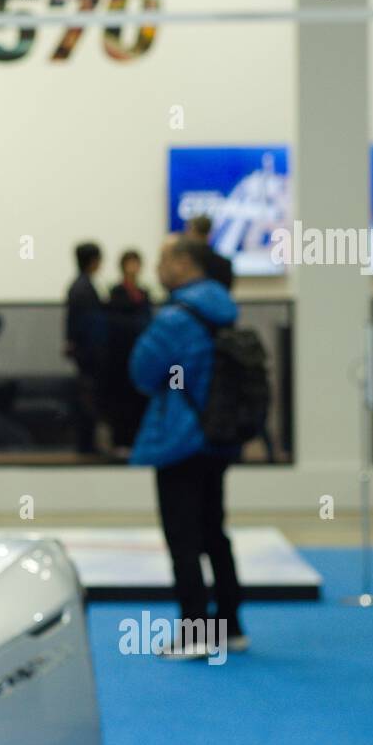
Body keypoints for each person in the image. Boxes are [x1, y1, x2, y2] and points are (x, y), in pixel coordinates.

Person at [129, 236, 246, 659]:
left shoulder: (175, 317)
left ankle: (196, 632)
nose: (157, 270)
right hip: (217, 437)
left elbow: (142, 371)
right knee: (214, 531)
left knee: (183, 538)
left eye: (162, 260)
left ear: (183, 263)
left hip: (180, 438)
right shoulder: (224, 309)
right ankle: (230, 625)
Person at [105, 250, 152, 455]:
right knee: (121, 399)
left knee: (139, 399)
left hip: (141, 354)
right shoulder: (117, 292)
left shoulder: (144, 292)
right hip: (121, 356)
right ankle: (121, 441)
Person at [65, 242, 106, 455]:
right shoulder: (84, 289)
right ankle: (86, 445)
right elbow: (88, 325)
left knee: (86, 397)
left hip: (84, 353)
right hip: (88, 354)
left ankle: (87, 443)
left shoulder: (79, 286)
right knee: (87, 398)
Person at [185, 215, 234, 290]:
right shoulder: (224, 264)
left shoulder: (185, 264)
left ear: (193, 232)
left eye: (188, 230)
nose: (186, 235)